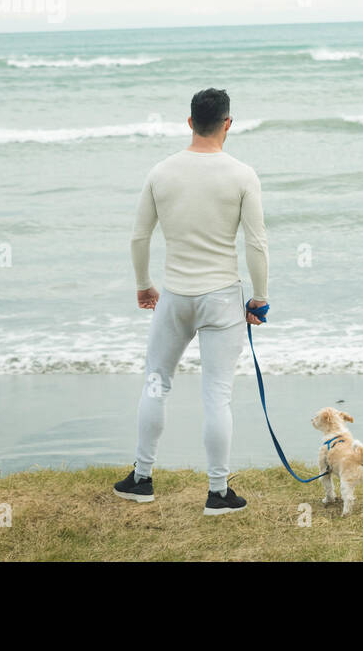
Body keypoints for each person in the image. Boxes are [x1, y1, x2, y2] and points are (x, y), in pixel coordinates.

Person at [114, 88, 269, 515]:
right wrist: (259, 298)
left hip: (175, 295)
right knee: (217, 396)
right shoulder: (241, 174)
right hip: (221, 297)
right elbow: (257, 243)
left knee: (155, 383)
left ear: (189, 123)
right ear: (227, 124)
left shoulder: (162, 172)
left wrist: (144, 284)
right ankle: (218, 493)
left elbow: (138, 236)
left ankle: (141, 479)